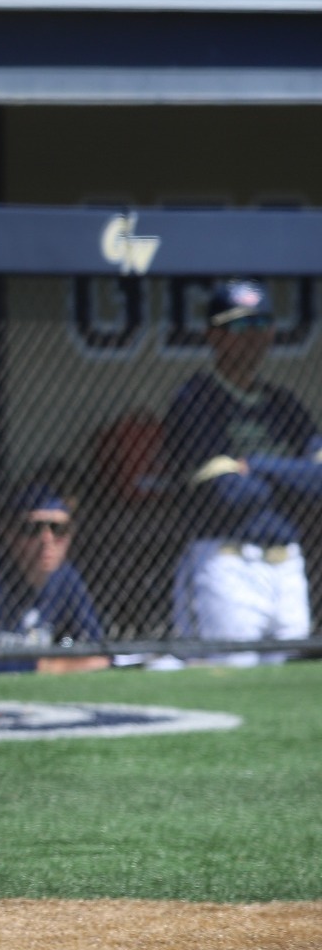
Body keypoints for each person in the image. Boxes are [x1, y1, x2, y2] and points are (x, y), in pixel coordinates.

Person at [163, 278, 321, 667]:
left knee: (289, 686)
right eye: (238, 327)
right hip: (227, 563)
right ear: (213, 335)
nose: (252, 337)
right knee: (229, 680)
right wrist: (292, 477)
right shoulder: (195, 399)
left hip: (287, 564)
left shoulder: (284, 405)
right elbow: (227, 495)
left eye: (260, 325)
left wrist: (257, 466)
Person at [0, 484, 110, 674]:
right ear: (9, 534)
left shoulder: (65, 577)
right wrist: (41, 666)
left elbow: (95, 649)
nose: (47, 539)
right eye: (32, 529)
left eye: (59, 529)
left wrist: (65, 650)